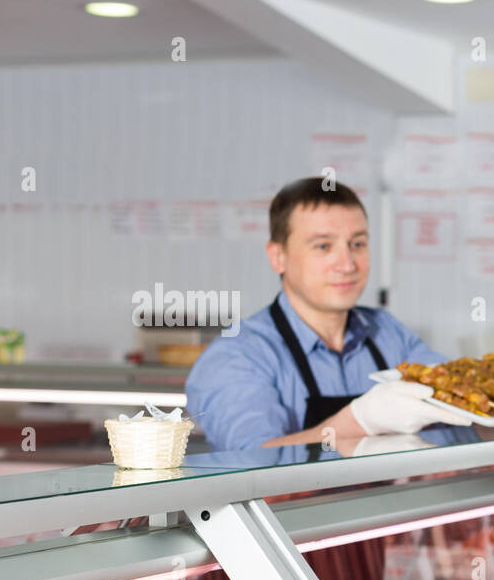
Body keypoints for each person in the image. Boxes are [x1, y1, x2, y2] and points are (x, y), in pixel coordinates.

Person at [187, 177, 475, 452]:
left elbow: (459, 409)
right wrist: (360, 421)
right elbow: (250, 464)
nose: (348, 264)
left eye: (358, 244)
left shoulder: (388, 332)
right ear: (278, 257)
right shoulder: (237, 356)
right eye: (323, 246)